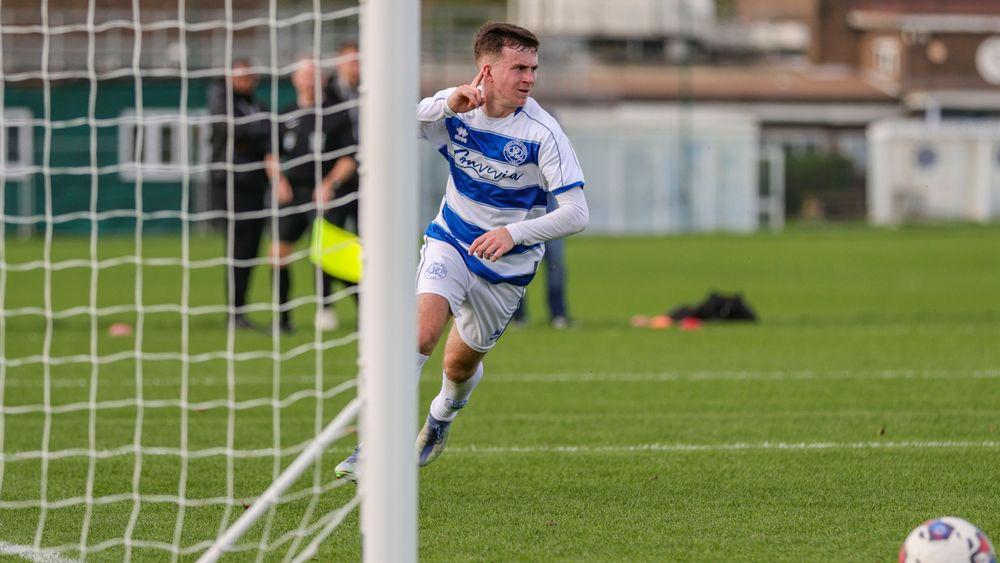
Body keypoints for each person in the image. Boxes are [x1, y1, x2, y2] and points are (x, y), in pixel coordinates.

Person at [336, 22, 589, 481]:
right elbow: (391, 128)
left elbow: (577, 213)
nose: (530, 78)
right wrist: (444, 103)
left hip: (506, 268)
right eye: (519, 68)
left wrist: (515, 234)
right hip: (450, 239)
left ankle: (441, 417)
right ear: (487, 70)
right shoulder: (457, 110)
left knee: (458, 365)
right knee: (418, 336)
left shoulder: (543, 132)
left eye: (534, 68)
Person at [265, 57, 358, 333]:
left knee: (329, 255)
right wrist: (278, 180)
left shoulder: (334, 113)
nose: (308, 80)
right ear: (295, 79)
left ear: (321, 80)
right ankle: (282, 321)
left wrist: (329, 183)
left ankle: (343, 308)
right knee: (277, 253)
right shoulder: (286, 113)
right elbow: (271, 155)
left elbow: (349, 158)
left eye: (314, 75)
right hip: (292, 194)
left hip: (324, 194)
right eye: (304, 75)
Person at [207, 60, 271, 330]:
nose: (246, 81)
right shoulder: (222, 101)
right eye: (240, 76)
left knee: (251, 249)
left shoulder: (256, 104)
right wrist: (255, 134)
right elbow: (235, 130)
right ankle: (235, 312)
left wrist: (255, 135)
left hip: (255, 184)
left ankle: (240, 310)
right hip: (231, 185)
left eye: (250, 76)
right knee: (238, 247)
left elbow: (269, 130)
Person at [511, 192, 573, 328]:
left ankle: (558, 314)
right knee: (517, 265)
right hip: (521, 212)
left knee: (555, 265)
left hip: (550, 214)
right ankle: (518, 315)